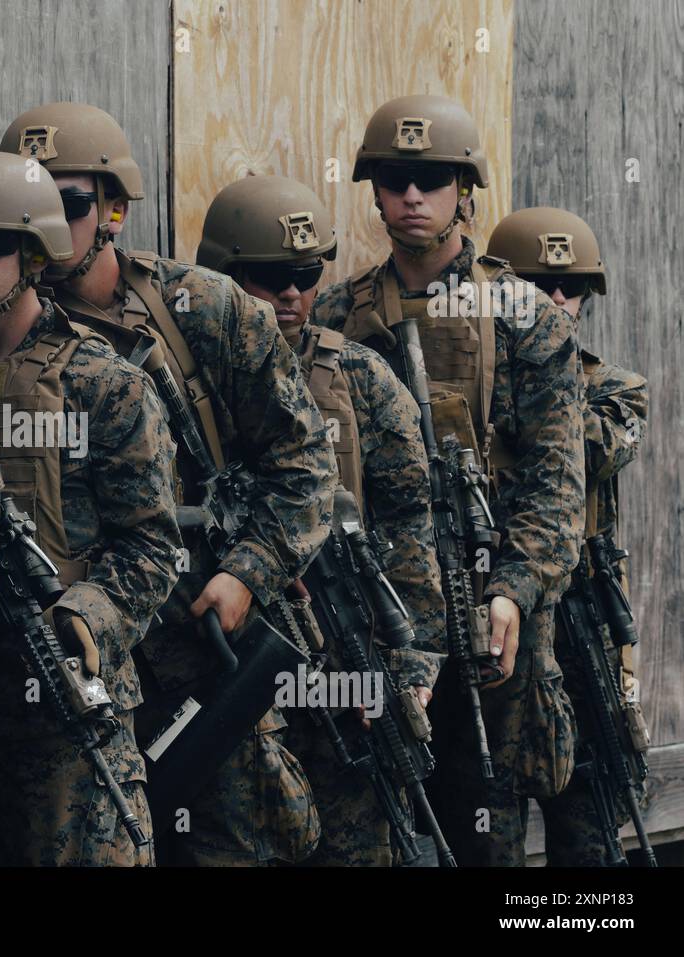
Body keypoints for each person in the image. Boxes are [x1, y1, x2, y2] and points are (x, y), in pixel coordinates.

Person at [0, 102, 335, 866]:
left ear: (113, 211)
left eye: (70, 203)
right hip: (77, 681)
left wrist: (248, 572)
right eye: (27, 203)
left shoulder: (203, 312)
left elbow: (307, 464)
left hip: (200, 648)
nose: (46, 224)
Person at [311, 94, 585, 866]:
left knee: (485, 815)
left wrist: (514, 587)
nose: (410, 197)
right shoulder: (338, 314)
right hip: (383, 612)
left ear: (466, 188)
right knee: (378, 813)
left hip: (488, 602)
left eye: (431, 179)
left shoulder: (524, 317)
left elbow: (555, 487)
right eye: (394, 179)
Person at [0, 151, 180, 866]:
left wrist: (86, 615)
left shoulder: (104, 384)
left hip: (65, 714)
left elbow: (153, 547)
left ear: (34, 254)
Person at [197, 173, 445, 865]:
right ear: (224, 273)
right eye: (271, 276)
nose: (292, 295)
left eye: (307, 275)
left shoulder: (360, 379)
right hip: (232, 679)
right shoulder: (188, 386)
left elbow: (410, 527)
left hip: (344, 676)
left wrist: (409, 665)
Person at [488, 207, 649, 865]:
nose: (556, 300)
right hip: (505, 607)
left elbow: (600, 445)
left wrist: (540, 380)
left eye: (570, 288)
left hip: (582, 613)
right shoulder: (475, 383)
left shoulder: (615, 387)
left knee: (590, 806)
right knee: (489, 808)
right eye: (538, 287)